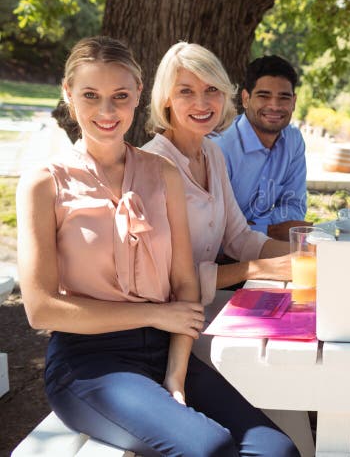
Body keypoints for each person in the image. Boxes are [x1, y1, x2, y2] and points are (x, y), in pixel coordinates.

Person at [16, 36, 298, 456]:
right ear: (68, 94)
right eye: (91, 95)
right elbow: (40, 308)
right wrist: (156, 313)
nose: (107, 111)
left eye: (120, 96)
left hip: (166, 349)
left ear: (138, 97)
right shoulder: (44, 182)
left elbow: (185, 283)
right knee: (210, 447)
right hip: (89, 363)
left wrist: (177, 375)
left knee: (276, 448)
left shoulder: (162, 173)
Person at [142, 42, 290, 305]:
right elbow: (161, 279)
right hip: (161, 323)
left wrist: (308, 253)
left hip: (203, 309)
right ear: (166, 97)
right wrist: (258, 269)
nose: (202, 103)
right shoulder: (151, 165)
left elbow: (239, 238)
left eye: (212, 89)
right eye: (186, 91)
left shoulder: (212, 153)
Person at [212, 55, 309, 241]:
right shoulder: (220, 148)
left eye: (284, 97)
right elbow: (217, 227)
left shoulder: (293, 141)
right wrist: (270, 230)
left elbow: (295, 207)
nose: (274, 106)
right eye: (264, 96)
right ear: (246, 98)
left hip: (265, 250)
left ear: (294, 102)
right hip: (221, 259)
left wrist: (254, 227)